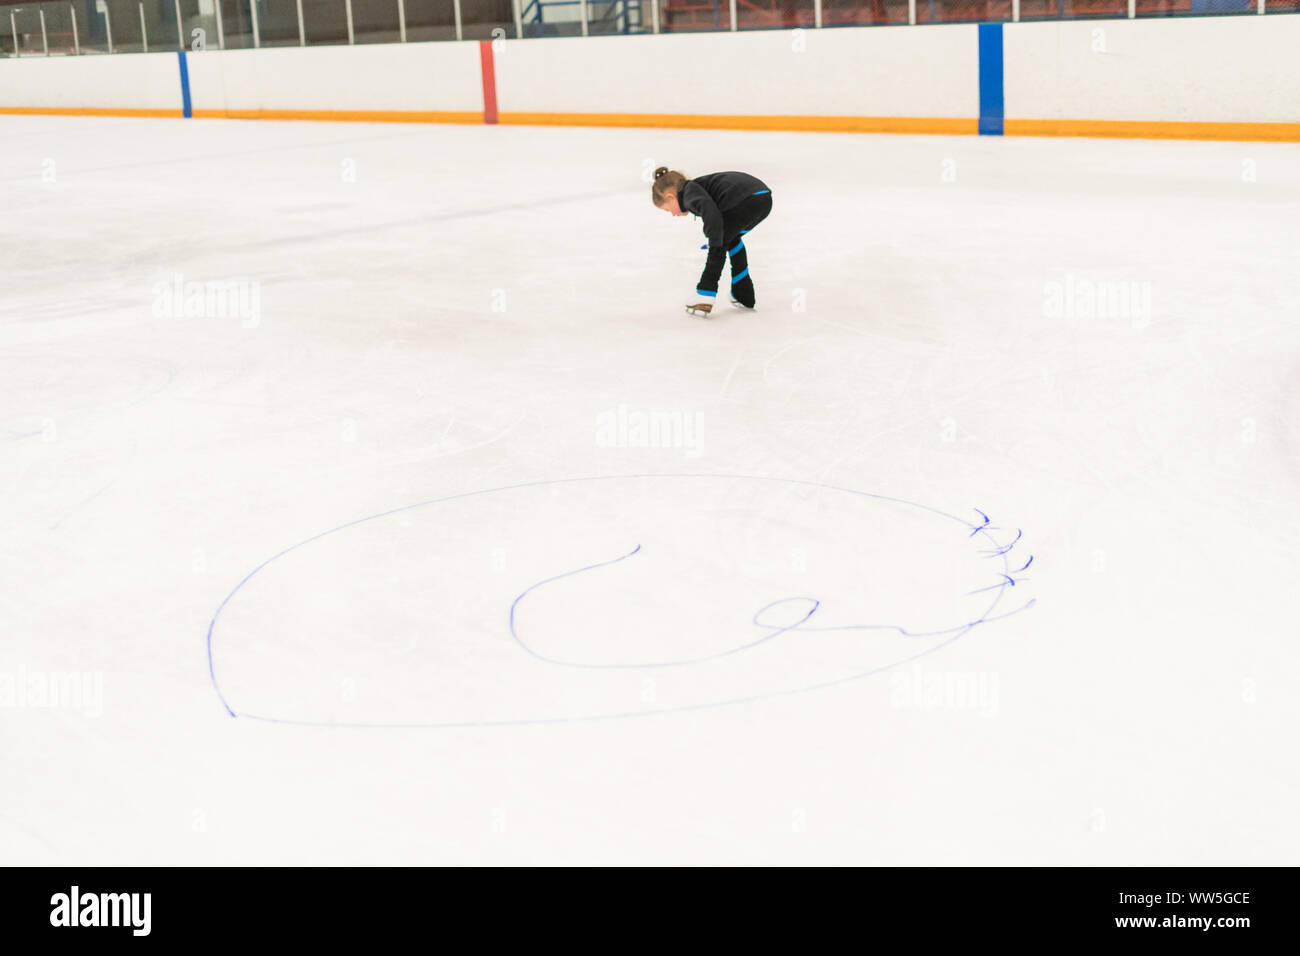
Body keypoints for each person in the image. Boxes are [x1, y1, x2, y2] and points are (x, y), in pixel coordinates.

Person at [651, 166, 773, 318]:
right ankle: (743, 292)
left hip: (745, 199)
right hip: (763, 198)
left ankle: (705, 294)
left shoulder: (689, 195)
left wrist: (714, 240)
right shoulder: (695, 188)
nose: (673, 215)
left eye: (668, 210)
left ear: (670, 197)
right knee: (731, 239)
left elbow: (709, 210)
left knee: (720, 242)